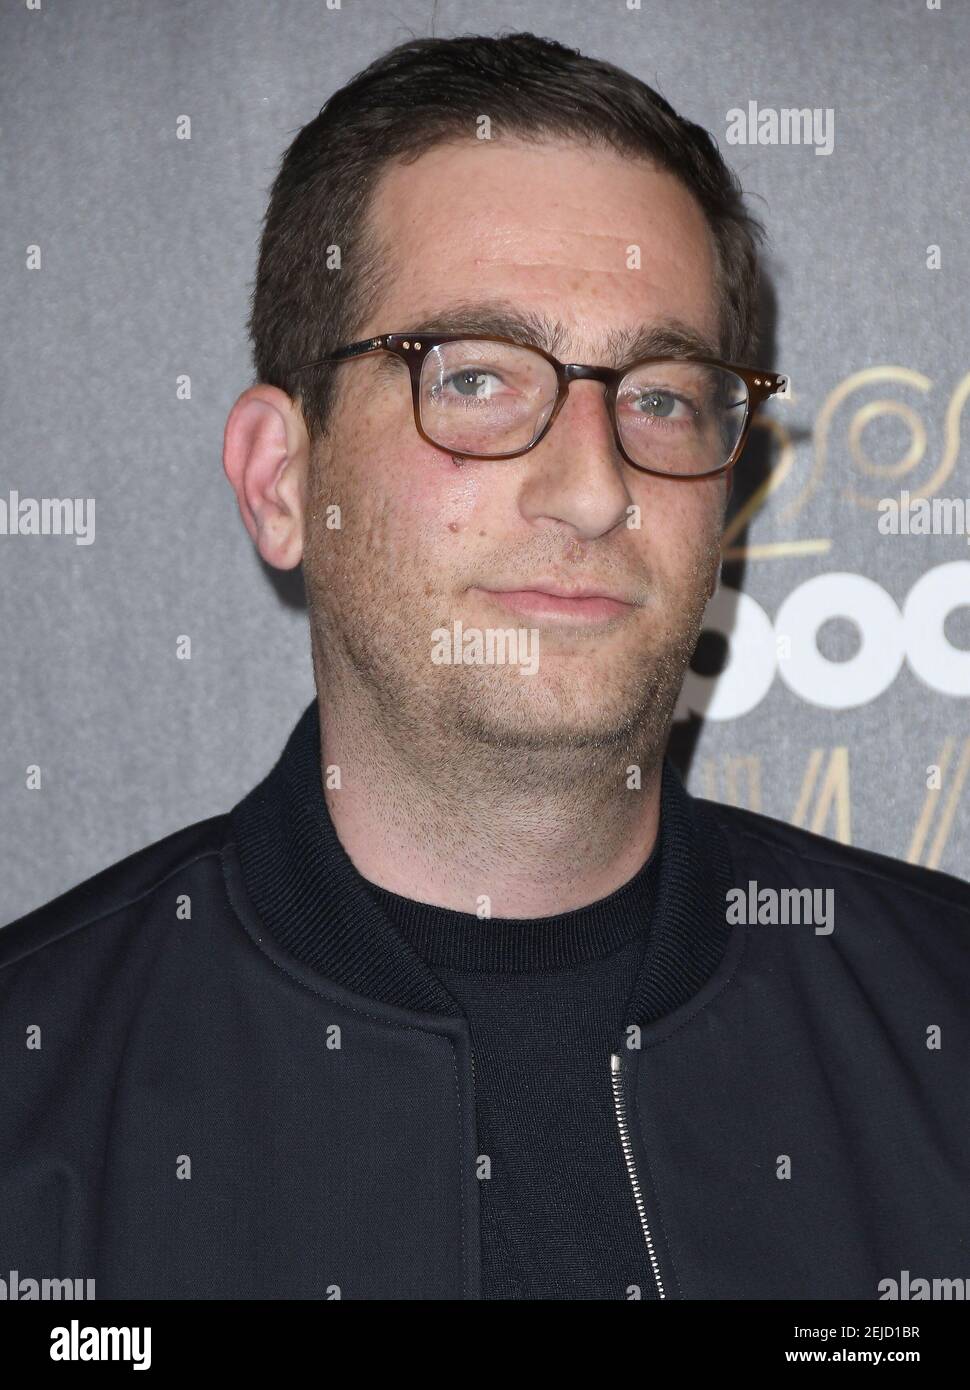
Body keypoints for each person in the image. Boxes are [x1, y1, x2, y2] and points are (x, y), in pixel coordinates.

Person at [2, 31, 967, 1302]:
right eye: (471, 378)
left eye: (663, 396)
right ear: (282, 480)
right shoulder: (35, 1102)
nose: (591, 486)